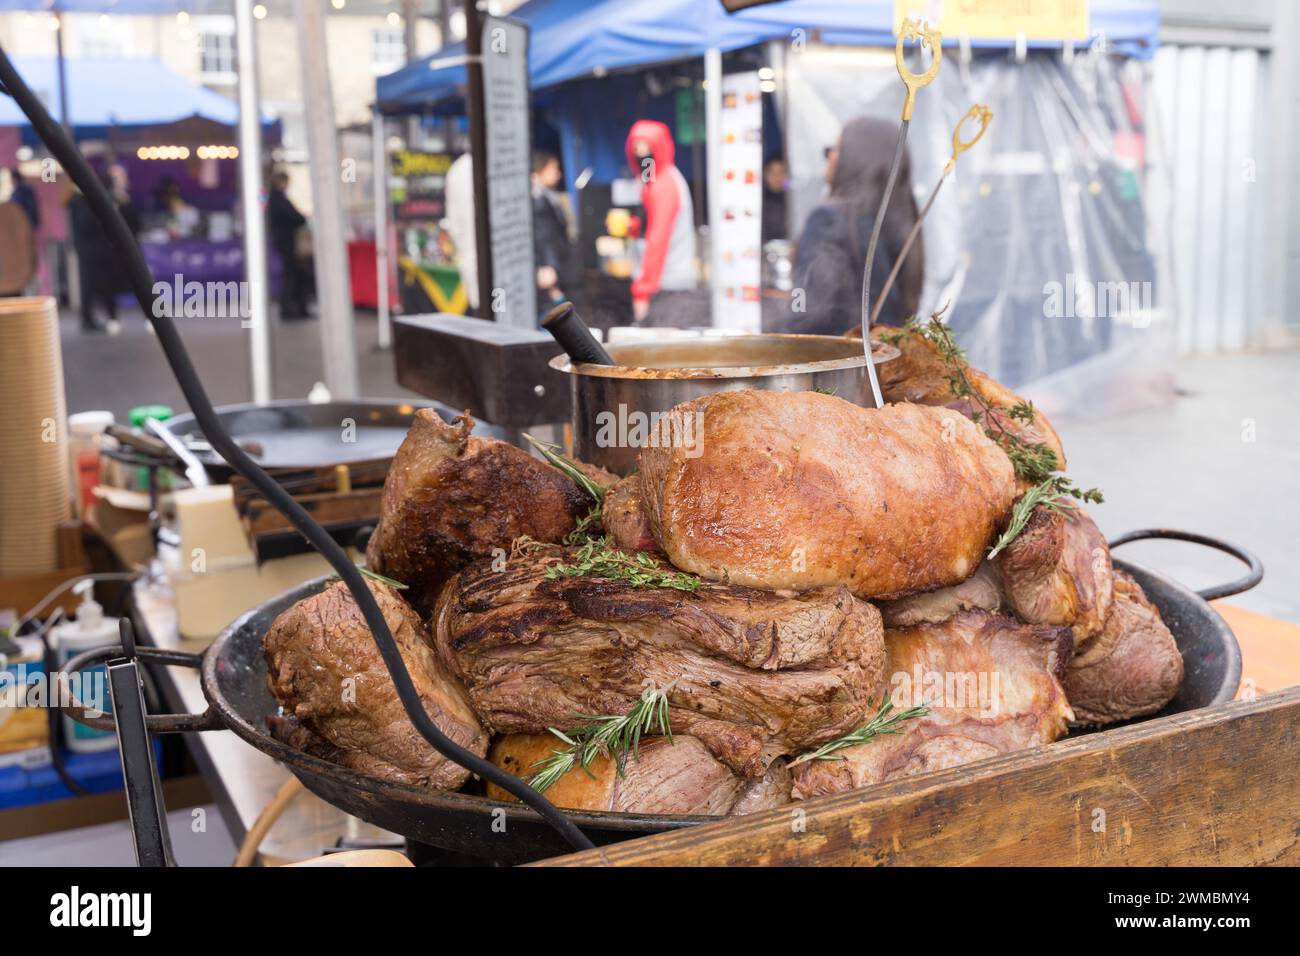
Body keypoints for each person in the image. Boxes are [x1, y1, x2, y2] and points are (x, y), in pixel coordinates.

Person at [788, 116, 923, 335]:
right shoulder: (902, 221)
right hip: (885, 359)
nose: (829, 156)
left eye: (837, 149)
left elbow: (803, 306)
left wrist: (789, 317)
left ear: (856, 161)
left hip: (835, 360)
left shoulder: (828, 218)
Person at [624, 119, 700, 326]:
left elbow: (658, 239)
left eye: (646, 148)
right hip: (664, 285)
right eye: (636, 148)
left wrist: (643, 291)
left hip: (668, 288)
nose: (641, 154)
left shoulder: (663, 184)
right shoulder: (653, 180)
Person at [68, 174, 120, 332]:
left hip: (91, 249)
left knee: (96, 284)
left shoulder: (79, 201)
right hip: (91, 250)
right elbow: (87, 224)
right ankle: (89, 318)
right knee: (90, 285)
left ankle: (97, 317)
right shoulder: (81, 201)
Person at [531, 150, 578, 315]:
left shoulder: (550, 197)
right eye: (553, 169)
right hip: (549, 270)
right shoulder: (538, 200)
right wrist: (549, 266)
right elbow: (543, 236)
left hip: (557, 266)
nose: (558, 174)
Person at [267, 170, 310, 319]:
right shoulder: (279, 200)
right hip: (287, 242)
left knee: (291, 274)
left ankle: (293, 307)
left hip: (282, 241)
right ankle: (289, 308)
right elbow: (297, 218)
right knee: (290, 275)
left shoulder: (273, 199)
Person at [444, 152, 479, 315]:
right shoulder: (466, 168)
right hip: (475, 256)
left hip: (469, 256)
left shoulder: (457, 169)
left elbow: (455, 225)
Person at [761, 157, 788, 244]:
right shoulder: (760, 202)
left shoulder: (791, 202)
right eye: (773, 173)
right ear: (765, 175)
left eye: (781, 172)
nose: (777, 177)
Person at [9, 168, 39, 232]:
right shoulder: (27, 189)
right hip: (29, 221)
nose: (11, 182)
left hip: (24, 221)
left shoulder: (19, 191)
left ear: (15, 179)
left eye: (11, 179)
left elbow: (15, 207)